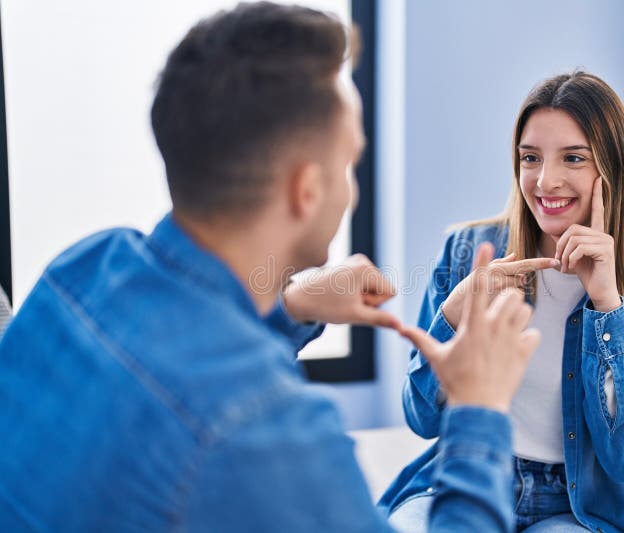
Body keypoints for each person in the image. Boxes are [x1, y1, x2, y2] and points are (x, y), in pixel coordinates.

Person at [0, 3, 543, 532]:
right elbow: (215, 400)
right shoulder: (268, 427)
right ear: (306, 189)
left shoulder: (83, 266)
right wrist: (480, 406)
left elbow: (186, 363)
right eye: (350, 164)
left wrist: (292, 306)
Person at [381, 72, 624, 533]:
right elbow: (421, 418)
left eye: (573, 158)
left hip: (572, 507)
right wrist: (455, 312)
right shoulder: (468, 251)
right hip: (467, 475)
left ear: (612, 169)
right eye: (530, 158)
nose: (545, 181)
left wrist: (606, 306)